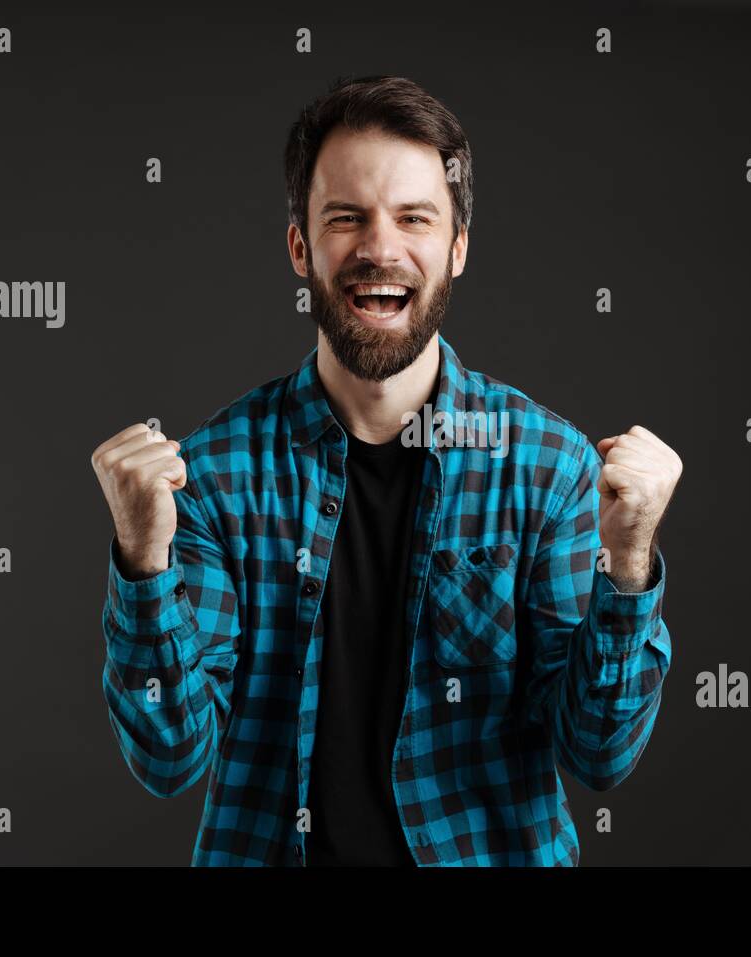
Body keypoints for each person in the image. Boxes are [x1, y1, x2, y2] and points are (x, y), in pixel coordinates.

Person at [89, 75, 683, 866]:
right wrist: (142, 560)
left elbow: (599, 753)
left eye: (414, 218)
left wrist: (631, 563)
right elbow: (169, 759)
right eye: (346, 217)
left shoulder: (548, 466)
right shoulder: (219, 474)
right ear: (301, 245)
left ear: (457, 247)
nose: (380, 247)